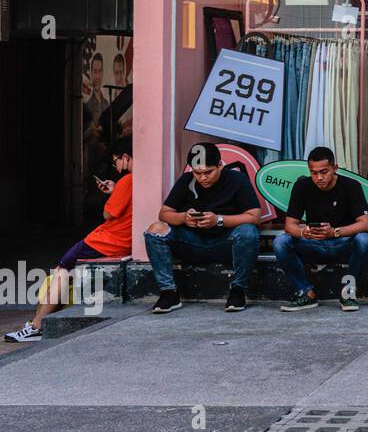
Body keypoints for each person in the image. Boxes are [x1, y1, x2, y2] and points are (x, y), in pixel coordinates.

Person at [5, 138, 133, 343]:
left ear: (126, 157)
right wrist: (115, 189)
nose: (116, 166)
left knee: (62, 269)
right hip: (118, 241)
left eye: (116, 161)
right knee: (65, 272)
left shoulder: (128, 180)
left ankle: (36, 326)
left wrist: (114, 193)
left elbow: (108, 213)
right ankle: (37, 323)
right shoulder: (137, 180)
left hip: (105, 241)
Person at [144, 142, 263, 314]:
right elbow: (164, 213)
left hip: (226, 243)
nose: (203, 178)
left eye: (208, 172)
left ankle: (238, 290)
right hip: (193, 242)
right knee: (155, 229)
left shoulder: (236, 180)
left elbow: (254, 216)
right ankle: (168, 292)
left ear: (220, 165)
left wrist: (218, 220)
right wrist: (184, 218)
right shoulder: (186, 180)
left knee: (248, 232)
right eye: (197, 173)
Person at [273, 146, 368, 312]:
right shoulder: (302, 186)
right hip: (313, 243)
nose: (319, 177)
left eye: (324, 172)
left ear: (335, 168)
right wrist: (303, 232)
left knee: (364, 240)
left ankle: (348, 292)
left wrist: (334, 231)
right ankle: (306, 293)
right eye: (314, 173)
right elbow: (290, 225)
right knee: (280, 241)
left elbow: (365, 224)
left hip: (342, 242)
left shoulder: (350, 186)